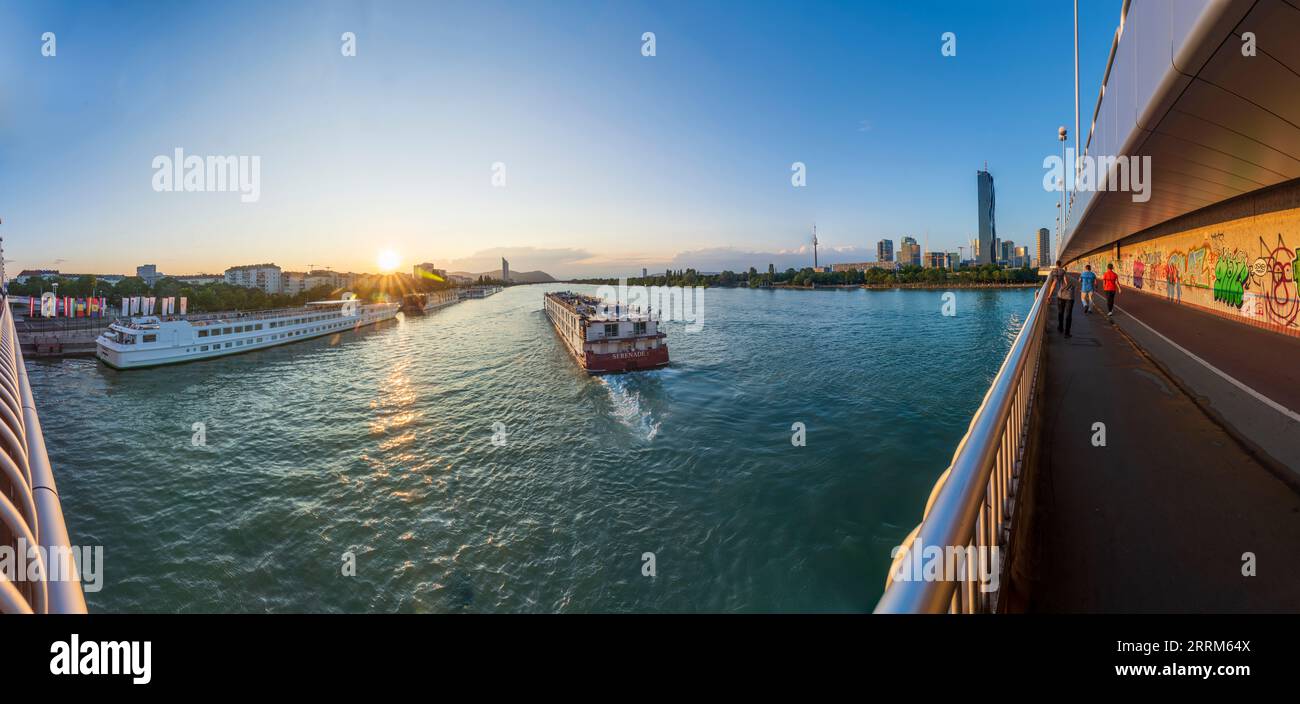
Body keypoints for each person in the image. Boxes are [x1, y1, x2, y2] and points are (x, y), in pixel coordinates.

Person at [1050, 260, 1076, 337]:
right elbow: (1069, 283)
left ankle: (1060, 328)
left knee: (1061, 312)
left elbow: (1054, 283)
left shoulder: (1055, 272)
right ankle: (1067, 333)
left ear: (1056, 264)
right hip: (1070, 296)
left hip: (1061, 296)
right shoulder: (1067, 274)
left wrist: (1049, 295)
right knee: (1068, 314)